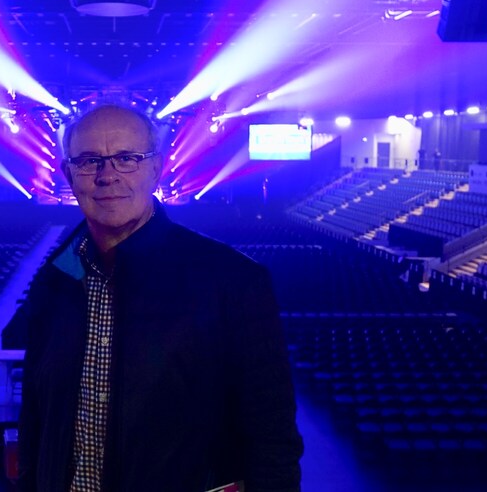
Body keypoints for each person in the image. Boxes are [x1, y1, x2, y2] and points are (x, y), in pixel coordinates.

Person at [17, 104, 303, 491]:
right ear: (69, 175)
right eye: (89, 161)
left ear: (157, 168)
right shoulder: (53, 281)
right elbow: (35, 418)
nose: (107, 176)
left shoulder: (233, 282)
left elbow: (272, 441)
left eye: (127, 159)